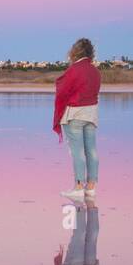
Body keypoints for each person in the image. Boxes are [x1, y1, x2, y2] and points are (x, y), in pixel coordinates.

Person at [53, 38, 101, 199]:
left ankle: (79, 187)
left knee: (77, 152)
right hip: (91, 113)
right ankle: (91, 187)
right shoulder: (95, 70)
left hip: (75, 114)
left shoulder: (75, 69)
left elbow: (62, 89)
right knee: (91, 150)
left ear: (76, 51)